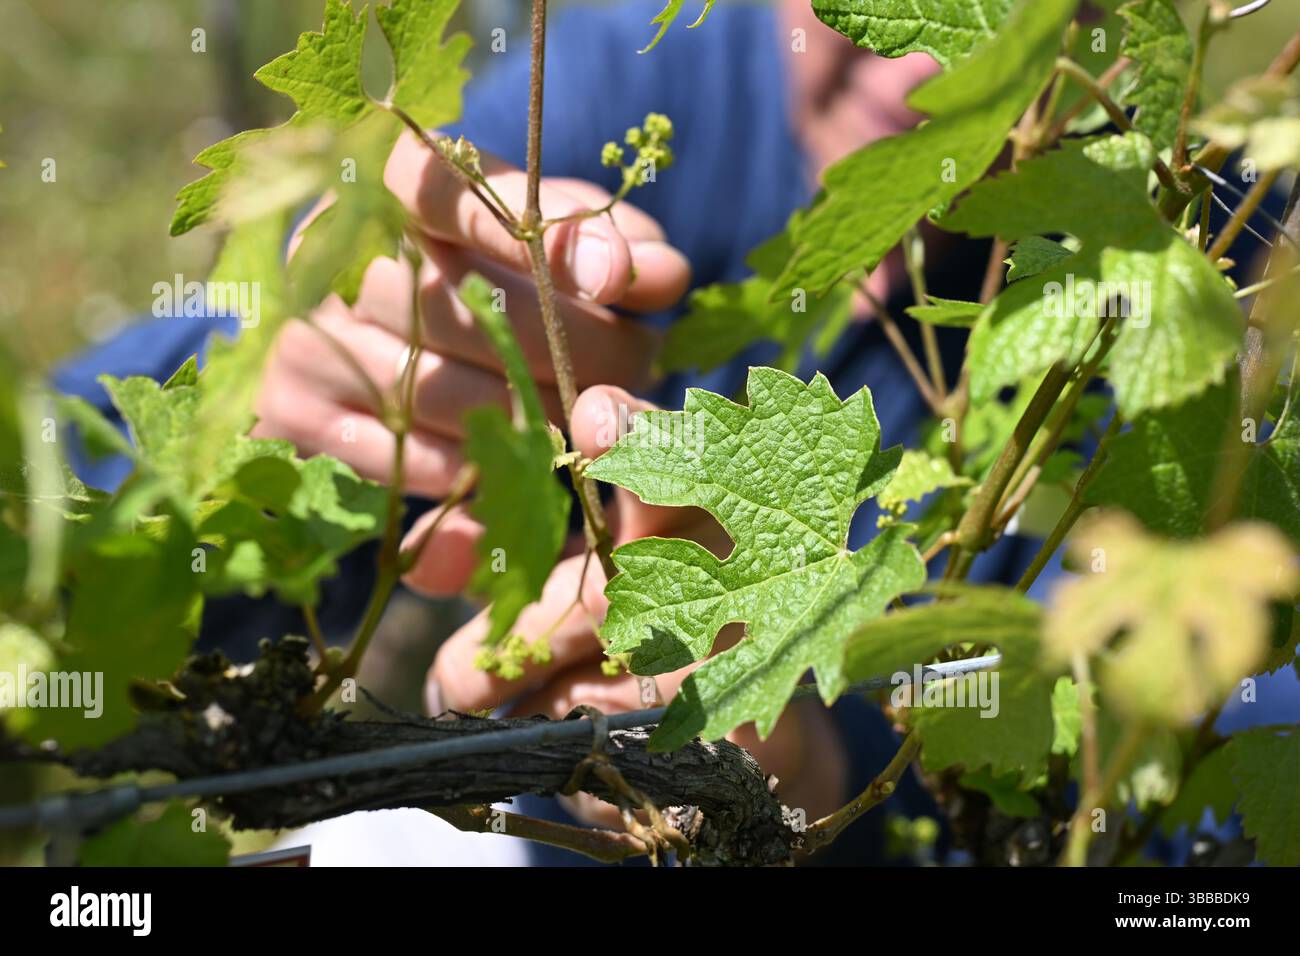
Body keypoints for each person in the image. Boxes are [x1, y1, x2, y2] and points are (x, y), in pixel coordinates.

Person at [54, 0, 1296, 865]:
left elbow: (1199, 788)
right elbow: (74, 471)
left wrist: (811, 772)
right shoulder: (624, 86)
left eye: (989, 18)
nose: (907, 74)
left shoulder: (1212, 252)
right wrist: (283, 426)